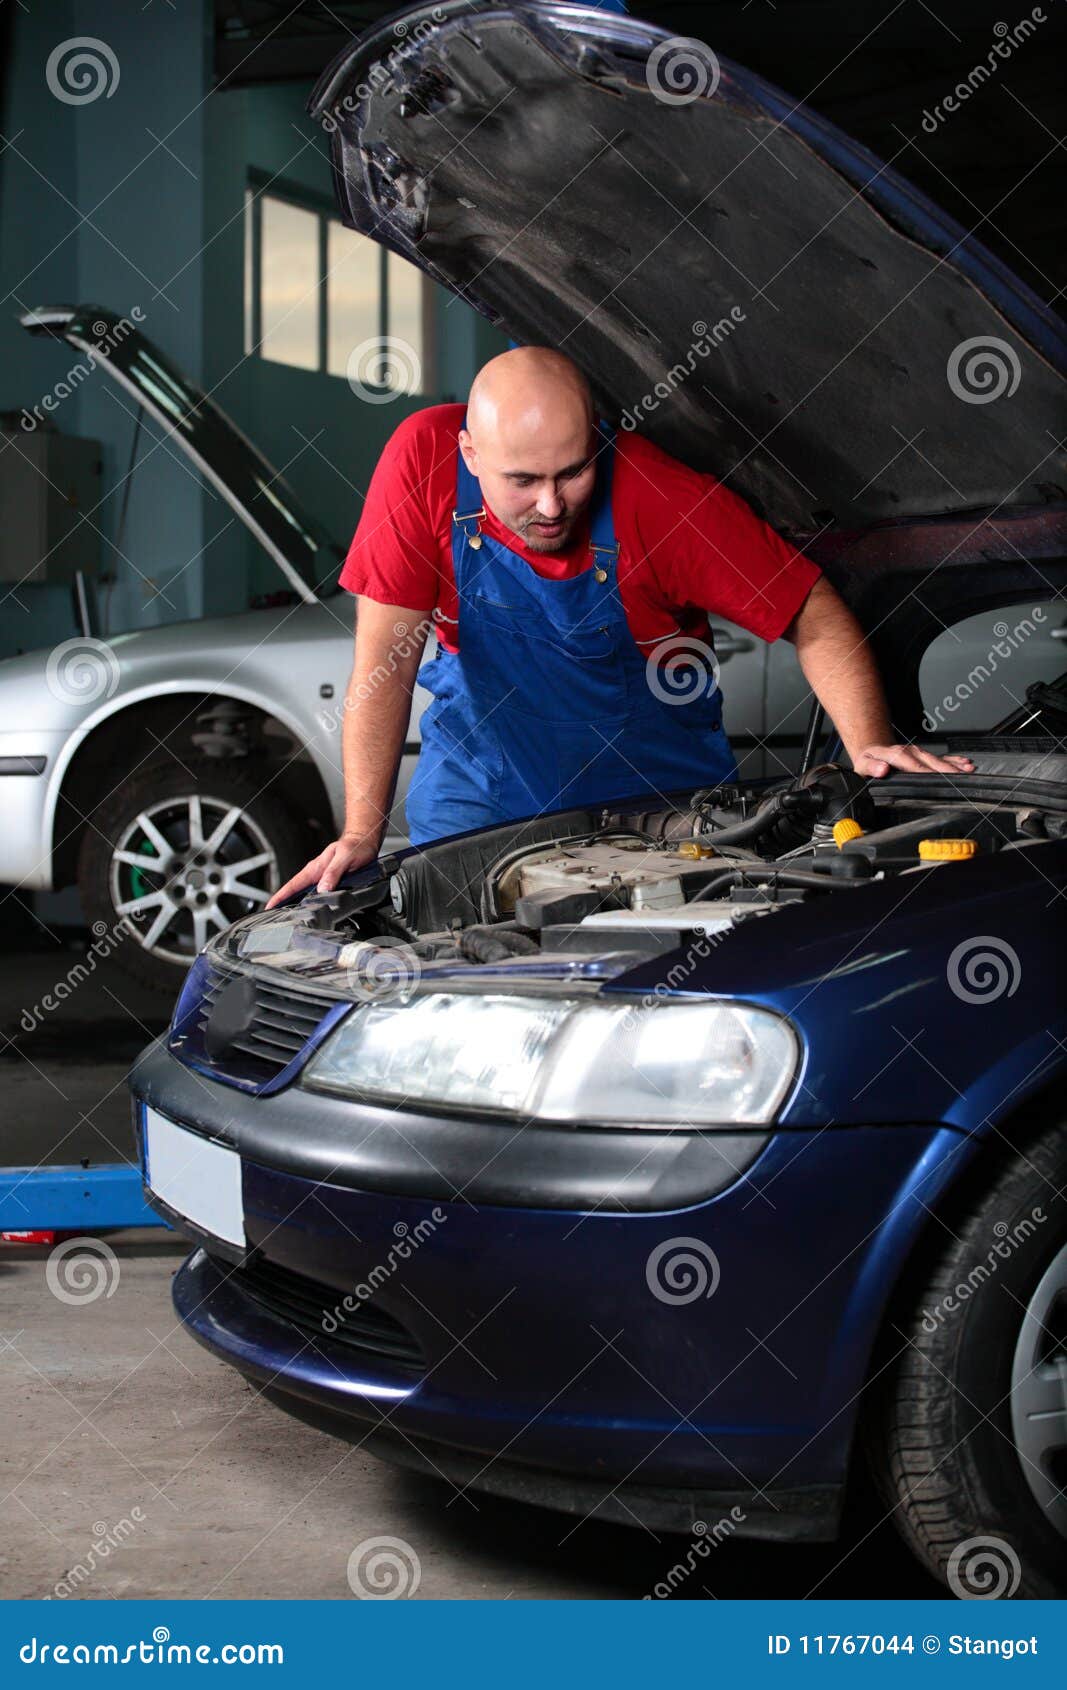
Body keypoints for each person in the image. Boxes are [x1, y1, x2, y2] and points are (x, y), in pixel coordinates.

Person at [269, 347, 972, 906]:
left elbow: (813, 612)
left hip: (653, 805)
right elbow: (384, 662)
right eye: (521, 480)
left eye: (572, 472)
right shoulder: (421, 461)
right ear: (469, 454)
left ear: (597, 441)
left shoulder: (661, 499)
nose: (550, 505)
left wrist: (869, 742)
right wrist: (361, 831)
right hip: (479, 791)